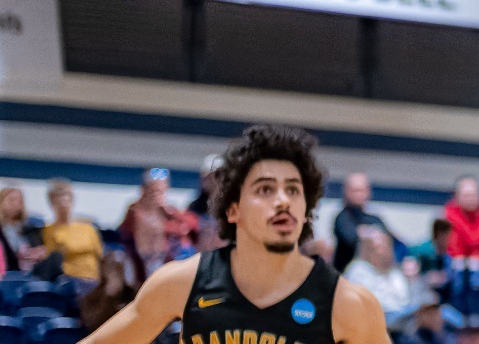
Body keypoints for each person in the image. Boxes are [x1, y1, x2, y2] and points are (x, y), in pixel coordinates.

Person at [74, 124, 392, 344]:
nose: (283, 200)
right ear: (233, 209)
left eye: (294, 190)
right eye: (265, 189)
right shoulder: (182, 283)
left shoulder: (349, 302)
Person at [119, 168, 194, 277]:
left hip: (162, 260)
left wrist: (171, 216)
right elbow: (125, 233)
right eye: (152, 191)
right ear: (144, 190)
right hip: (139, 261)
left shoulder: (170, 212)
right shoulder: (135, 211)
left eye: (160, 192)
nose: (156, 195)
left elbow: (188, 229)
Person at [345, 227, 419, 331]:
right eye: (379, 247)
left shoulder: (395, 273)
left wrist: (412, 280)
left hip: (400, 316)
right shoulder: (358, 270)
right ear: (368, 250)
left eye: (387, 246)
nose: (385, 252)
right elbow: (374, 304)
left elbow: (406, 299)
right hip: (374, 320)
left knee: (441, 312)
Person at [42, 178, 105, 283]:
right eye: (59, 199)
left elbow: (100, 256)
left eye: (67, 199)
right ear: (52, 203)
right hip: (69, 281)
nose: (64, 204)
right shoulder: (49, 230)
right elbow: (52, 260)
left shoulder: (88, 228)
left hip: (93, 280)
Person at [332, 173, 395, 274]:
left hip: (377, 276)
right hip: (346, 277)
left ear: (368, 191)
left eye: (361, 190)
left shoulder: (375, 219)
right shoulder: (342, 219)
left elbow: (390, 242)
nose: (358, 195)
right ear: (346, 191)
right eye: (355, 190)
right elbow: (352, 239)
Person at [80, 250, 137, 331]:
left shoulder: (137, 294)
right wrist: (109, 296)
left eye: (120, 269)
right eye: (113, 268)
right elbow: (93, 324)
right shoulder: (91, 298)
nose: (117, 274)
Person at [0, 184, 43, 270]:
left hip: (27, 274)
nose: (16, 204)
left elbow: (39, 250)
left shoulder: (31, 227)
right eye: (11, 200)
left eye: (19, 200)